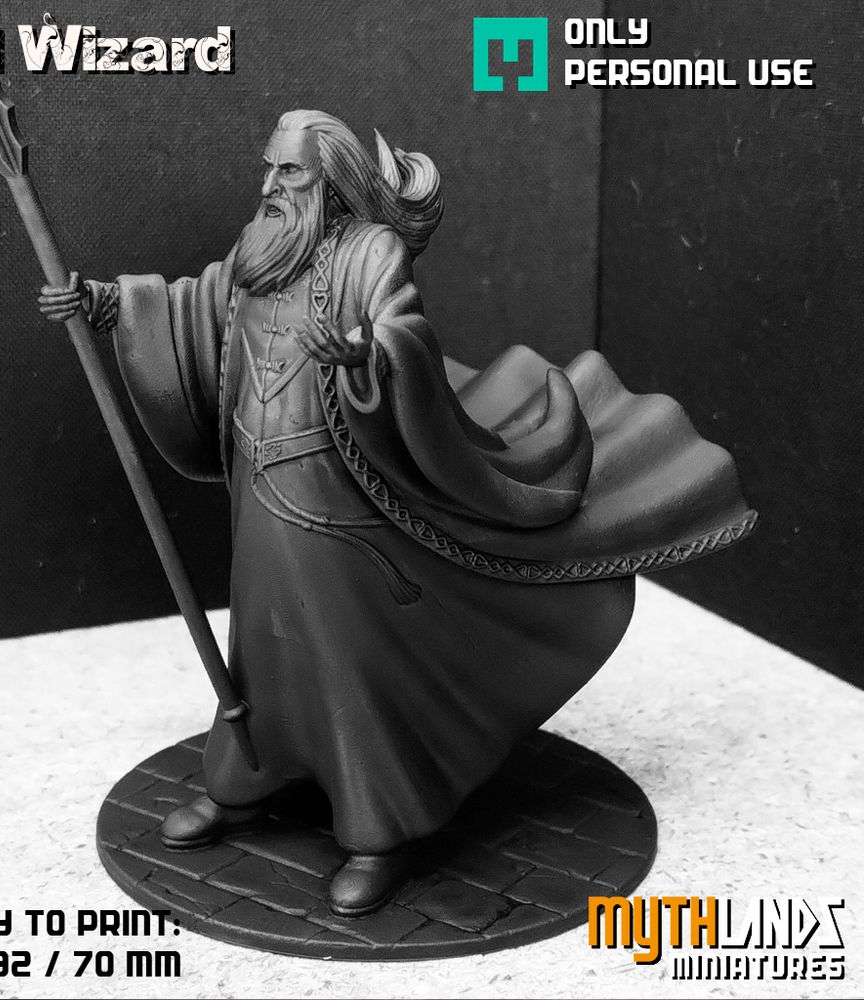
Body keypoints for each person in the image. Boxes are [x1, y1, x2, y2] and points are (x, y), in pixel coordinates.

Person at [39, 109, 756, 917]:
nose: (271, 184)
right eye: (269, 167)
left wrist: (367, 354)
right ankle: (242, 784)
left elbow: (403, 331)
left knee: (346, 653)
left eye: (291, 172)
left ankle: (376, 833)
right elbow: (198, 304)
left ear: (333, 183)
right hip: (258, 489)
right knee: (262, 644)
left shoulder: (368, 250)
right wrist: (108, 302)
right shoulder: (258, 246)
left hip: (336, 499)